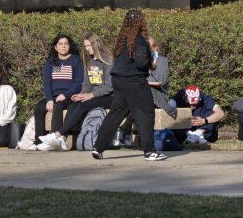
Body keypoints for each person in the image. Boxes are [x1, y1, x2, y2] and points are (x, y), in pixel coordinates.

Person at [91, 8, 163, 161]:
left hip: (118, 80)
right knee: (146, 113)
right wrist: (151, 63)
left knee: (115, 114)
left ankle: (98, 147)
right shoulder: (141, 41)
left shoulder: (123, 40)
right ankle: (149, 151)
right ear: (141, 22)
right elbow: (141, 62)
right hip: (134, 81)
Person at [41, 33, 113, 151]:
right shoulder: (90, 63)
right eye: (85, 46)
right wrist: (81, 94)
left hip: (108, 97)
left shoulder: (108, 60)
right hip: (94, 95)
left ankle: (57, 135)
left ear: (96, 44)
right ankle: (62, 140)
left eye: (89, 45)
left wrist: (91, 95)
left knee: (82, 105)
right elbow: (86, 84)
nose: (86, 49)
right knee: (75, 103)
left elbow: (110, 86)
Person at [36, 33, 84, 142]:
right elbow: (47, 83)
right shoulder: (51, 61)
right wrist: (49, 99)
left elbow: (79, 82)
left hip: (69, 96)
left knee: (58, 106)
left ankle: (53, 139)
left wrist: (65, 95)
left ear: (69, 46)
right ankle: (38, 141)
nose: (63, 46)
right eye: (60, 44)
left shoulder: (76, 60)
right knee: (39, 108)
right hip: (53, 96)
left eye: (66, 44)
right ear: (55, 47)